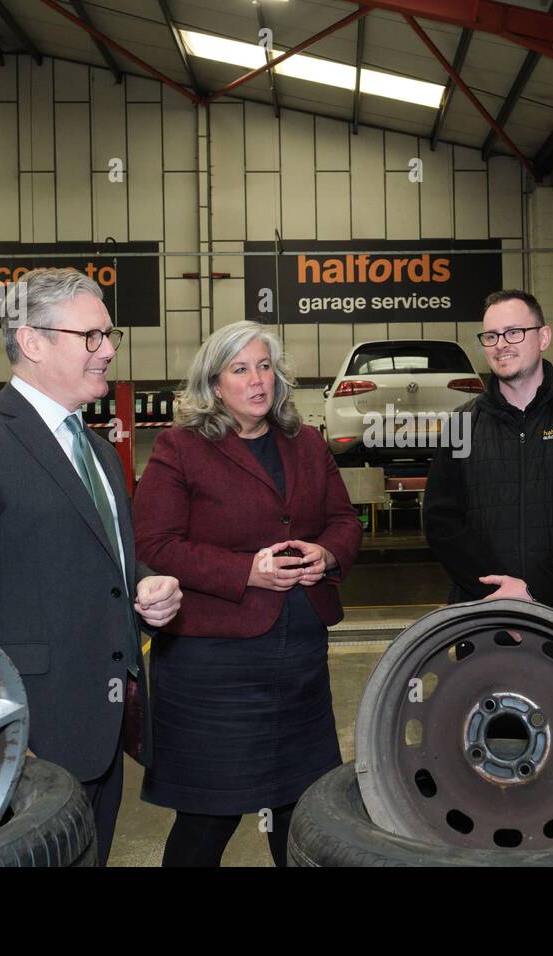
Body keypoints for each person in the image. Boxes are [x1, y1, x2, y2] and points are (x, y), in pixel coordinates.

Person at [0, 267, 182, 866]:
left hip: (101, 732)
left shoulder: (102, 455)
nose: (108, 351)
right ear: (32, 341)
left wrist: (146, 589)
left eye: (110, 336)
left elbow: (105, 565)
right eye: (91, 337)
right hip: (26, 741)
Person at [132, 320, 362, 868]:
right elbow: (155, 544)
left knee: (302, 809)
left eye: (265, 367)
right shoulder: (180, 447)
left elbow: (344, 521)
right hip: (213, 665)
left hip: (299, 658)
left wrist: (325, 554)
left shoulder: (306, 442)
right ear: (214, 385)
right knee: (208, 815)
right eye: (240, 370)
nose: (257, 381)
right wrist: (245, 572)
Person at [423, 289, 553, 637]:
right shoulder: (460, 426)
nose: (501, 344)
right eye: (491, 336)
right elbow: (442, 521)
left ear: (543, 337)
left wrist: (535, 591)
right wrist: (498, 594)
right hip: (483, 618)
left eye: (515, 332)